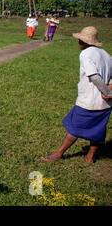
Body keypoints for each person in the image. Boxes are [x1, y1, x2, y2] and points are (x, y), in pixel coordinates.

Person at [42, 26, 112, 163]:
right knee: (98, 130)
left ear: (85, 42)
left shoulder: (86, 54)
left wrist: (106, 91)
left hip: (89, 100)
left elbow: (94, 76)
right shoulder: (106, 55)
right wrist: (109, 90)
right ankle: (90, 157)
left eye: (80, 40)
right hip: (105, 103)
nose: (78, 42)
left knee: (74, 128)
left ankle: (59, 154)